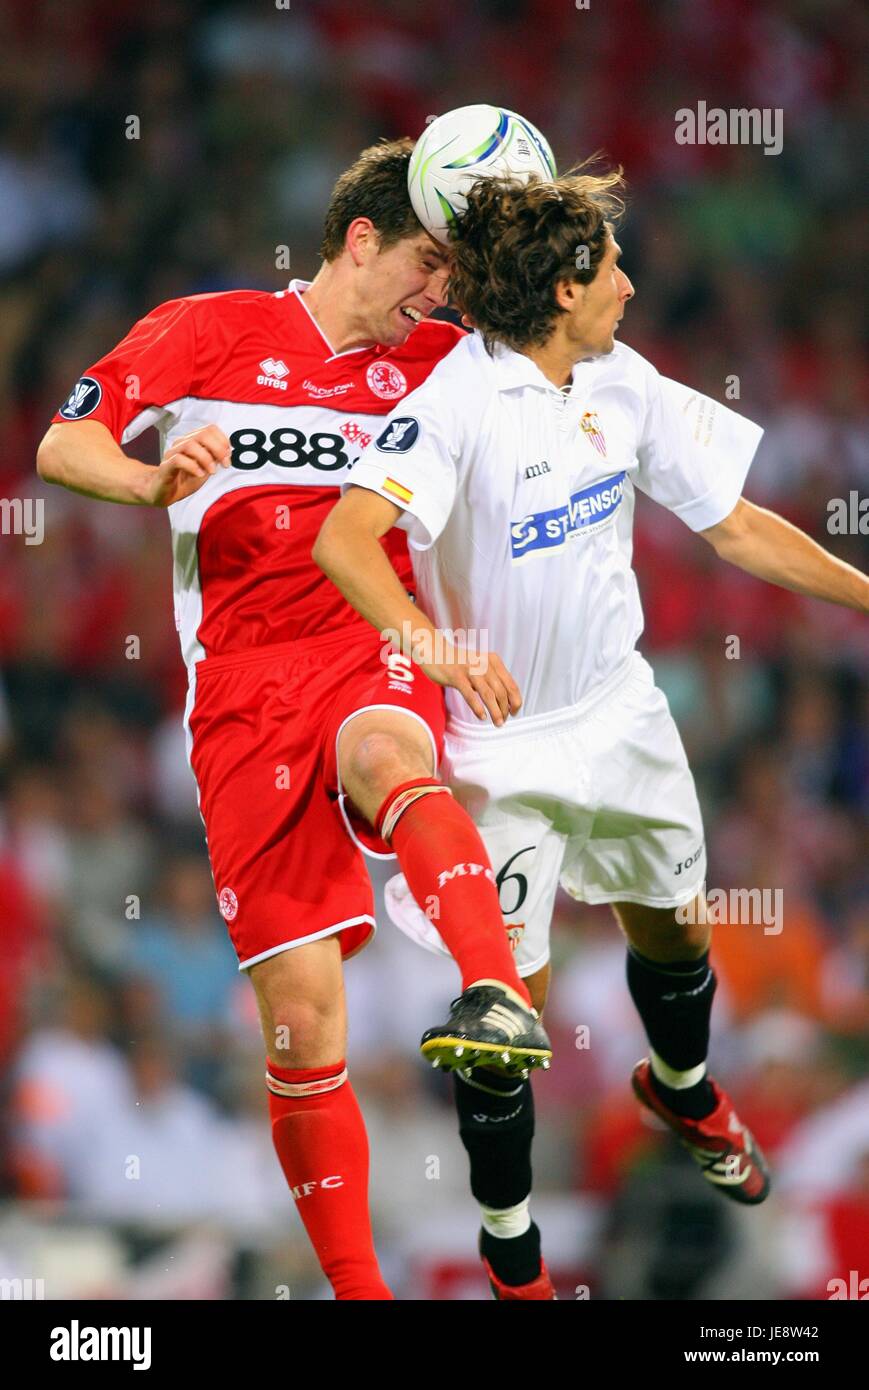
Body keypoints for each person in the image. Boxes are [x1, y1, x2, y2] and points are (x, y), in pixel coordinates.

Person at [314, 167, 869, 1299]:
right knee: (501, 1027)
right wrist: (431, 643)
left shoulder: (621, 380)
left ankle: (678, 1081)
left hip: (619, 716)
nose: (628, 279)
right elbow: (346, 537)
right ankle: (511, 1244)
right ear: (563, 288)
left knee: (671, 933)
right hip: (499, 749)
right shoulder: (455, 402)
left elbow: (738, 527)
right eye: (609, 265)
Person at [35, 138, 550, 1302]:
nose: (437, 290)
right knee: (303, 1027)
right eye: (425, 261)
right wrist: (148, 481)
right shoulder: (204, 329)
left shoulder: (442, 359)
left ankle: (492, 988)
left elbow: (560, 369)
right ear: (359, 238)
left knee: (387, 751)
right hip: (239, 686)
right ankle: (359, 1294)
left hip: (366, 634)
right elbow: (63, 443)